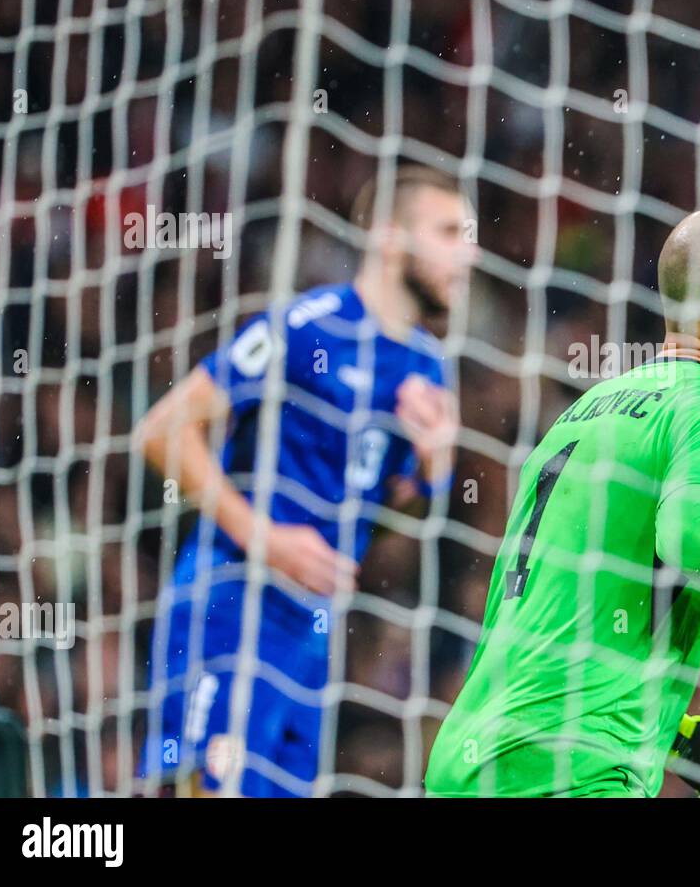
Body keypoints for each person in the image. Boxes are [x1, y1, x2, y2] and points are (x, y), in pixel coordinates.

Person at [425, 208, 700, 798]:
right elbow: (697, 533)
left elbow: (560, 612)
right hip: (572, 770)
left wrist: (673, 736)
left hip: (471, 756)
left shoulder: (587, 410)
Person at [136, 165, 476, 796]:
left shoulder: (429, 367)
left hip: (313, 633)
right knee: (197, 788)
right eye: (450, 230)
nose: (469, 250)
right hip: (234, 602)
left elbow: (392, 525)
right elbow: (164, 430)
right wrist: (264, 537)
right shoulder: (308, 325)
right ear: (390, 237)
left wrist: (433, 471)